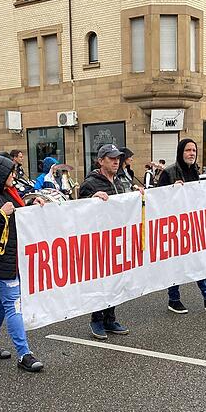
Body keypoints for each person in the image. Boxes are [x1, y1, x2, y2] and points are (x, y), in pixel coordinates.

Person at [0, 154, 45, 372]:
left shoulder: (7, 194)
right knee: (13, 305)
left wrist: (31, 202)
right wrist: (0, 214)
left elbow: (19, 215)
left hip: (13, 259)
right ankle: (24, 354)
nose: (14, 176)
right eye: (10, 172)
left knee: (0, 303)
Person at [156, 138, 206, 314]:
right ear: (180, 152)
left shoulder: (194, 171)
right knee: (175, 263)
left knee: (199, 260)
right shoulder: (169, 173)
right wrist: (171, 191)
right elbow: (158, 200)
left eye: (194, 150)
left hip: (191, 225)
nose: (192, 153)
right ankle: (174, 299)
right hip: (173, 228)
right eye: (188, 150)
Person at [78, 144, 133, 339]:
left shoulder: (120, 182)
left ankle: (110, 318)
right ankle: (97, 319)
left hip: (117, 239)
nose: (116, 161)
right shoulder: (90, 184)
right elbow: (79, 212)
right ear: (101, 161)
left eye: (117, 158)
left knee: (115, 281)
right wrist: (91, 199)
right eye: (111, 158)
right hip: (99, 242)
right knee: (101, 282)